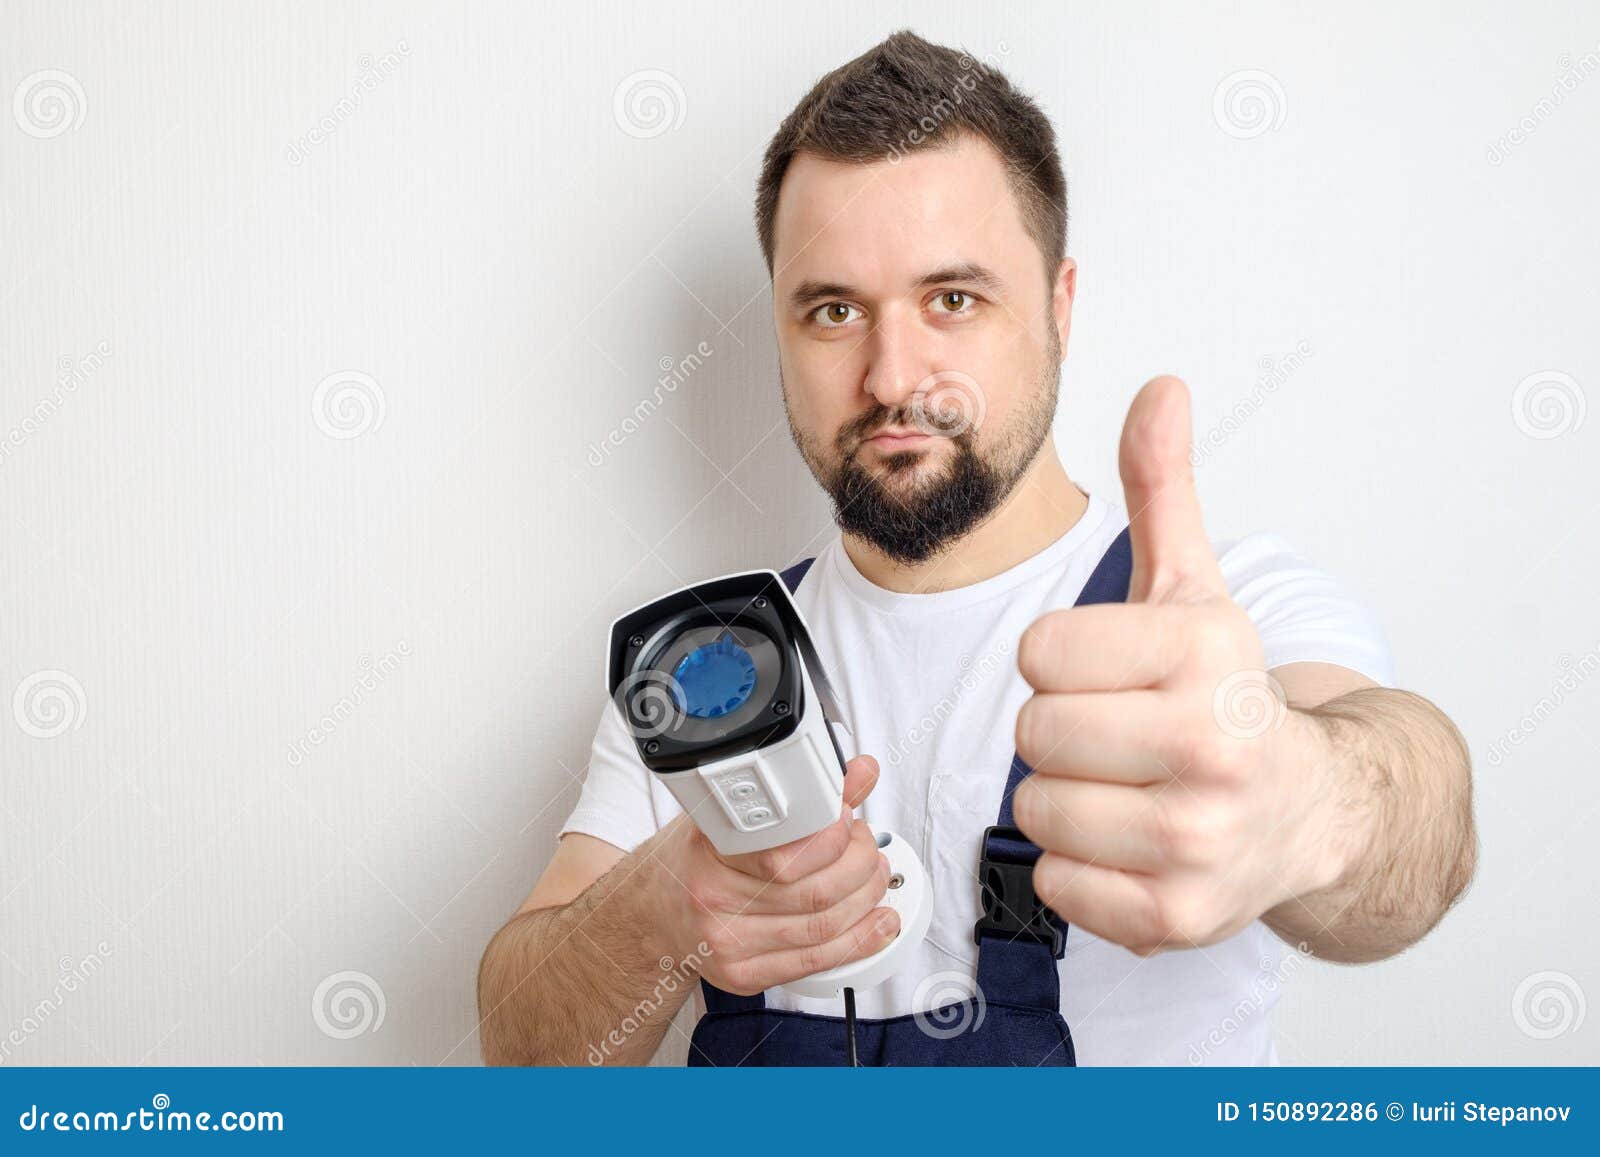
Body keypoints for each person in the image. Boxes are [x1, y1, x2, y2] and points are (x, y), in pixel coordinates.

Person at [477, 29, 1475, 1066]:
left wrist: (1307, 801)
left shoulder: (1217, 616)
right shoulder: (707, 665)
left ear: (1057, 306)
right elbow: (528, 1055)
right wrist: (657, 915)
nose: (891, 375)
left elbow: (1413, 840)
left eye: (952, 298)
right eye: (832, 311)